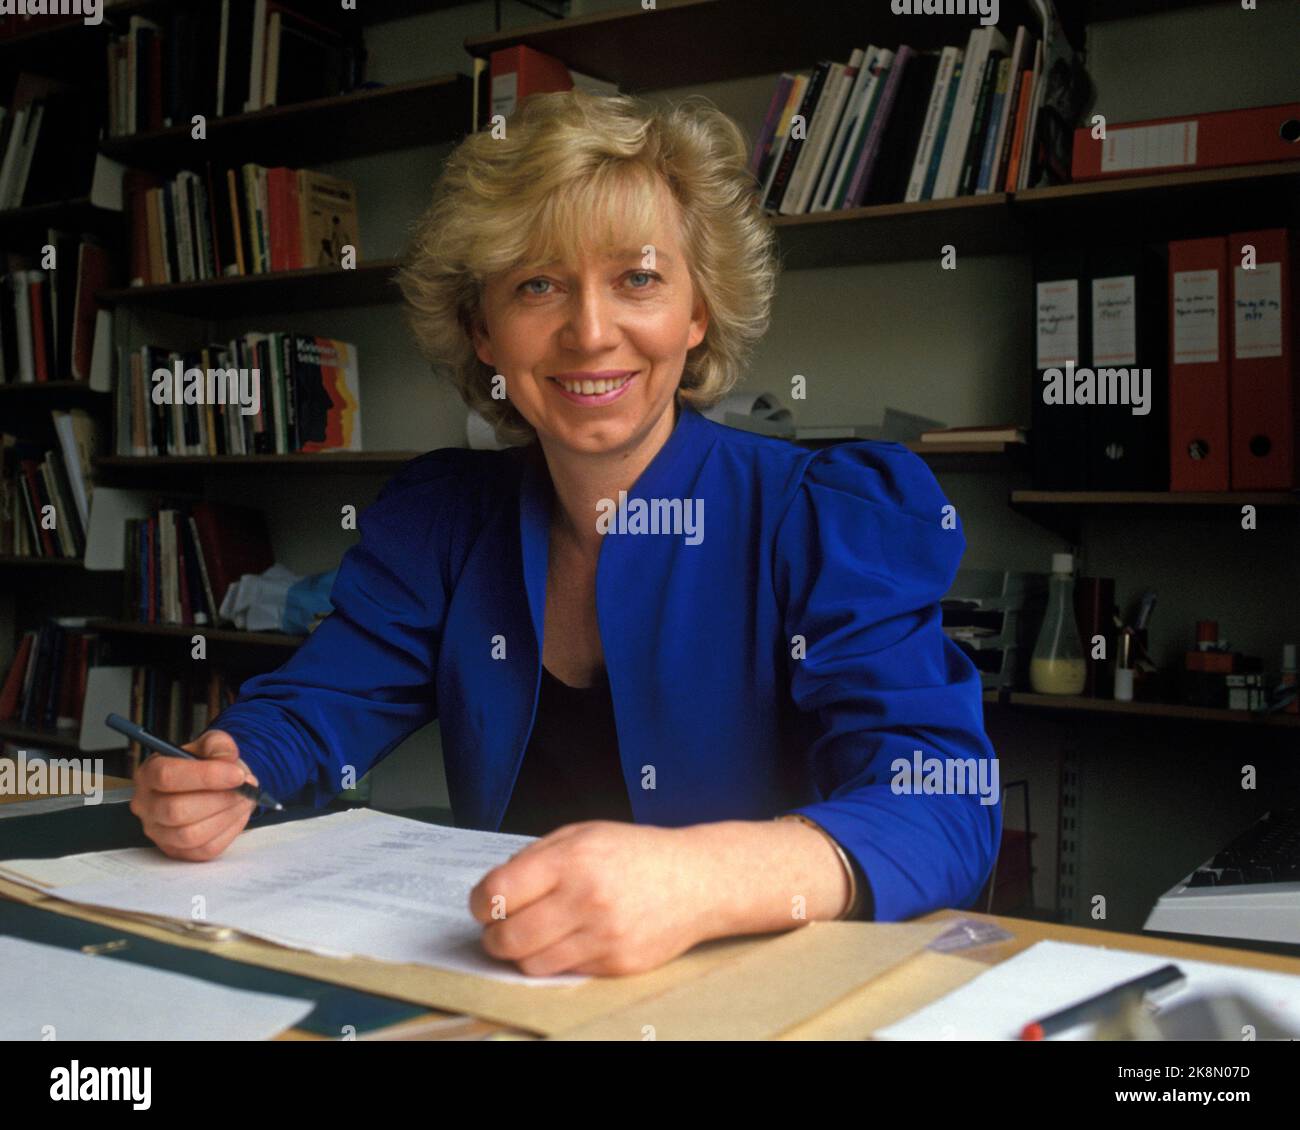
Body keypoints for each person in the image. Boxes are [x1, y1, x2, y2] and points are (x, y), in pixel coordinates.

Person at [129, 90, 1001, 978]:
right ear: (482, 330)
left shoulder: (821, 514)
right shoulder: (444, 517)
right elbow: (317, 708)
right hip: (516, 990)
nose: (590, 333)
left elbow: (943, 801)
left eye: (640, 278)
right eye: (538, 284)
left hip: (764, 1004)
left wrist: (696, 880)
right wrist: (227, 769)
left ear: (696, 314)